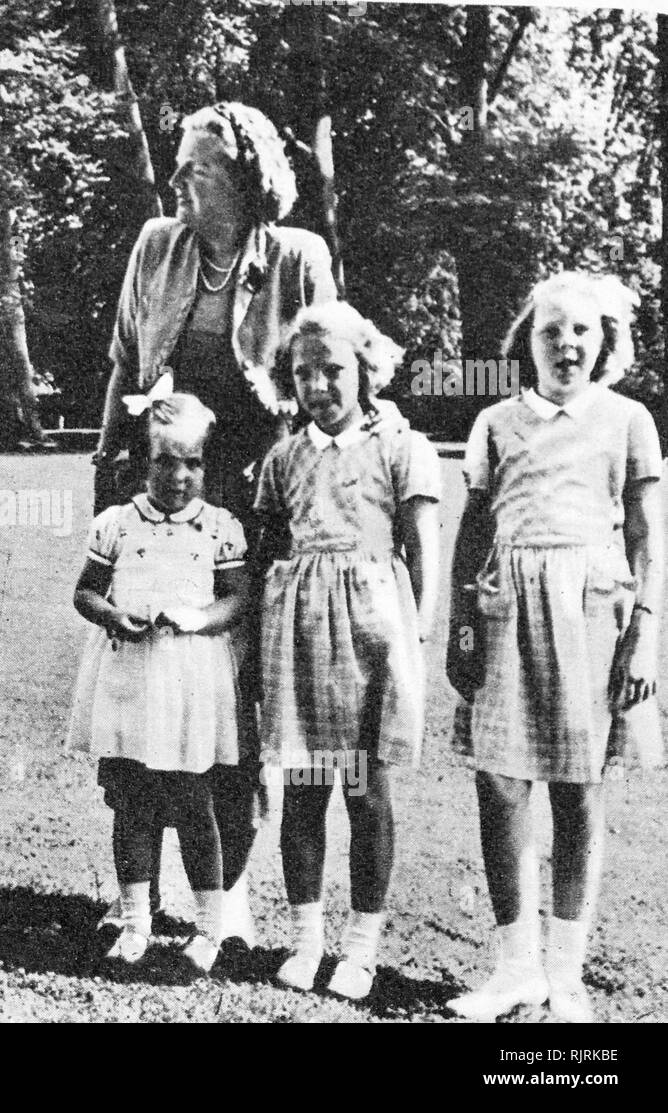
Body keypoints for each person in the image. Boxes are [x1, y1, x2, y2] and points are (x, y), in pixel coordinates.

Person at [91, 102, 338, 958]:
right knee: (143, 685)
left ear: (243, 179)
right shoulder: (156, 245)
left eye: (197, 168)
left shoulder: (298, 258)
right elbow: (126, 361)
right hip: (159, 499)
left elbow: (323, 377)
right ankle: (138, 897)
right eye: (180, 166)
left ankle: (225, 898)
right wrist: (103, 480)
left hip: (255, 512)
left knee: (228, 704)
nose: (179, 182)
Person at [446, 272, 663, 1022]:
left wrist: (645, 635)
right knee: (501, 784)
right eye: (550, 331)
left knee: (578, 791)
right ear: (525, 343)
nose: (566, 343)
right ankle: (515, 969)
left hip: (592, 615)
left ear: (605, 341)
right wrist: (459, 623)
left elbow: (646, 537)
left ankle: (564, 978)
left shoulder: (628, 419)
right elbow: (471, 530)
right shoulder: (497, 422)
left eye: (582, 331)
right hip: (506, 607)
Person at [256, 304, 440, 1000]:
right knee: (302, 792)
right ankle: (307, 939)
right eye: (303, 373)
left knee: (366, 791)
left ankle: (360, 948)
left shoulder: (400, 446)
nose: (318, 384)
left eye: (333, 369)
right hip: (300, 630)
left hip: (372, 630)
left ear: (366, 370)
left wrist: (417, 630)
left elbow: (425, 547)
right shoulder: (284, 457)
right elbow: (270, 545)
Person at [69, 393, 255, 974]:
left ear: (207, 465)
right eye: (164, 462)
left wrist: (199, 620)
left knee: (194, 801)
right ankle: (135, 921)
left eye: (192, 463)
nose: (178, 476)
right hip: (130, 675)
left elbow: (239, 599)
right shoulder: (117, 524)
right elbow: (85, 591)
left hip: (190, 679)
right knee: (132, 802)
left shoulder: (220, 528)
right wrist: (112, 615)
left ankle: (208, 927)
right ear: (138, 462)